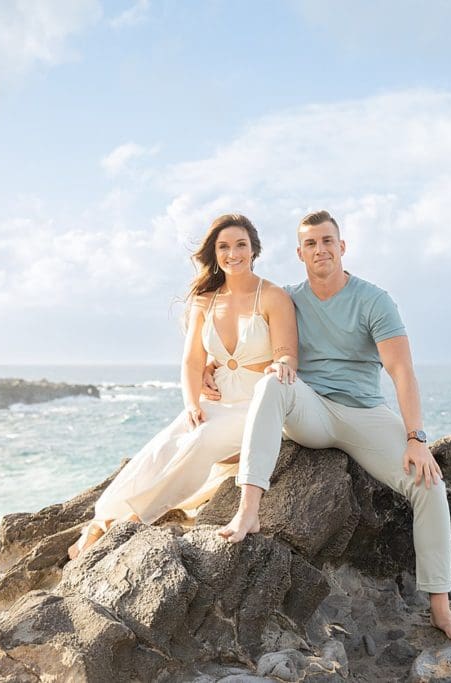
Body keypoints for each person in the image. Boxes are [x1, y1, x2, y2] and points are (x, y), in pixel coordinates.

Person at [207, 210, 451, 644]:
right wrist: (212, 369)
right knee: (275, 382)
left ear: (342, 246)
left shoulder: (374, 300)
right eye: (310, 244)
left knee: (429, 485)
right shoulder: (287, 298)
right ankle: (249, 510)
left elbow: (402, 370)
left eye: (328, 241)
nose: (320, 250)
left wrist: (416, 438)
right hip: (310, 410)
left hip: (365, 413)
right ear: (299, 253)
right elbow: (259, 345)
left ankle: (441, 608)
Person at [67, 213, 297, 560]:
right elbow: (191, 361)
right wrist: (192, 404)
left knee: (200, 442)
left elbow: (286, 355)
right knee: (166, 444)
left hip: (257, 404)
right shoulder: (205, 300)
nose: (232, 253)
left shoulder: (273, 296)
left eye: (240, 245)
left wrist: (280, 365)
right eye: (223, 247)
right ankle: (103, 518)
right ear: (214, 253)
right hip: (216, 396)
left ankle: (134, 518)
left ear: (254, 250)